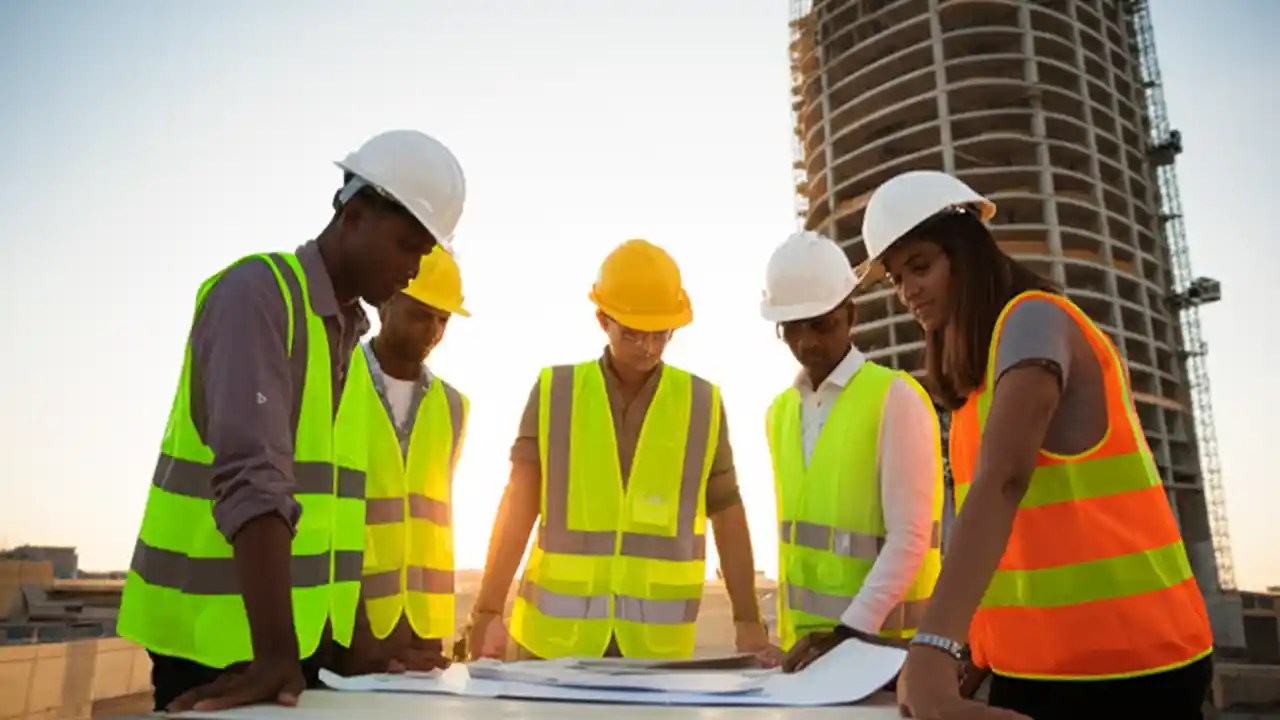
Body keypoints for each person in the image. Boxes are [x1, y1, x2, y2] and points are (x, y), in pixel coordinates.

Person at [116, 130, 467, 713]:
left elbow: (334, 522)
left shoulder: (348, 345)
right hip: (217, 652)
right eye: (408, 246)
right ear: (354, 215)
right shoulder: (257, 296)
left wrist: (351, 646)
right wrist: (276, 654)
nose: (414, 269)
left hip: (292, 654)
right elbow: (252, 479)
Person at [858, 170, 1214, 719]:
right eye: (896, 278)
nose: (908, 292)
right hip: (1039, 669)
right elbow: (1018, 540)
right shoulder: (980, 385)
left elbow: (1005, 481)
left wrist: (932, 648)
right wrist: (977, 646)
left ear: (968, 253)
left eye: (921, 266)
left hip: (1131, 670)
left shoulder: (1035, 319)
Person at [467, 239, 777, 663]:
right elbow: (518, 503)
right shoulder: (556, 392)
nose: (647, 347)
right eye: (632, 332)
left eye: (660, 334)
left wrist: (747, 621)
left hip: (658, 650)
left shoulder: (702, 404)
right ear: (602, 319)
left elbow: (727, 511)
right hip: (552, 645)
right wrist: (487, 610)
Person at [758, 231, 943, 674]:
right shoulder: (779, 413)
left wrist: (849, 631)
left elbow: (911, 536)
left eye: (821, 324)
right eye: (793, 328)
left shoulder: (895, 398)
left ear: (850, 314)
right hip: (806, 659)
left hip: (886, 656)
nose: (807, 343)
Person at [330, 246, 471, 677]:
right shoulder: (337, 376)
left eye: (443, 319)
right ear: (386, 302)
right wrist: (355, 633)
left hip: (422, 630)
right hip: (345, 623)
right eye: (421, 314)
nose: (432, 330)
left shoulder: (453, 406)